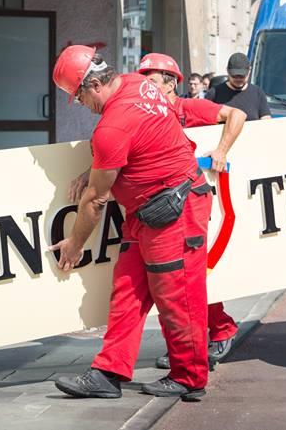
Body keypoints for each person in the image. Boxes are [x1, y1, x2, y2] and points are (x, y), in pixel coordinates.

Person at [50, 46, 213, 401]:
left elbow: (95, 199)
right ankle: (109, 373)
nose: (82, 105)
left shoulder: (112, 125)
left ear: (94, 85)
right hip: (149, 211)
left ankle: (189, 376)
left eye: (79, 97)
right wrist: (96, 167)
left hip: (174, 210)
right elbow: (147, 136)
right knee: (127, 289)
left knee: (177, 295)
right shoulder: (137, 84)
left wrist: (74, 244)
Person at [135, 53, 247, 370]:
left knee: (191, 275)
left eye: (151, 81)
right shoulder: (142, 114)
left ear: (171, 84)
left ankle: (220, 330)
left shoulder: (188, 108)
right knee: (172, 283)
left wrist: (222, 149)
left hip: (193, 203)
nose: (145, 88)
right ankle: (185, 345)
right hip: (161, 208)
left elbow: (236, 115)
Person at [205, 53, 271, 121]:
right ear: (227, 71)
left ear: (249, 71)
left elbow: (266, 120)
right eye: (234, 76)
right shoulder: (214, 93)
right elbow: (204, 119)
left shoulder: (258, 93)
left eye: (242, 76)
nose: (238, 79)